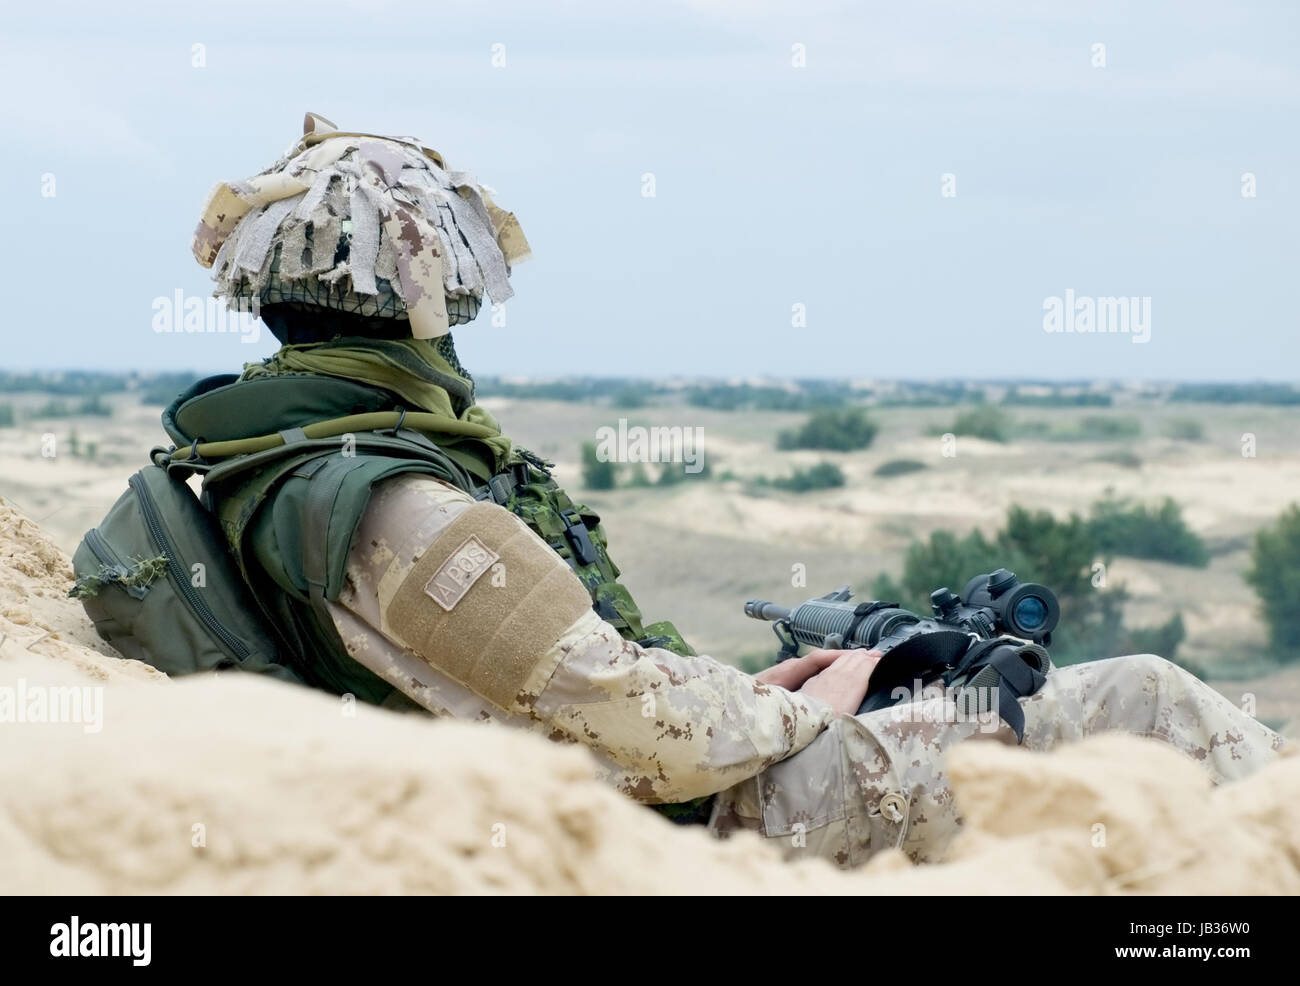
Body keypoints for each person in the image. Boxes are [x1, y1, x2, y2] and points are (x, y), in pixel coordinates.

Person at [177, 113, 1285, 868]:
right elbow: (649, 734)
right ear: (434, 292)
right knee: (1142, 699)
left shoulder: (266, 463)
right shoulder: (396, 506)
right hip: (689, 818)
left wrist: (765, 686)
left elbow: (568, 690)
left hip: (596, 781)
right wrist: (822, 694)